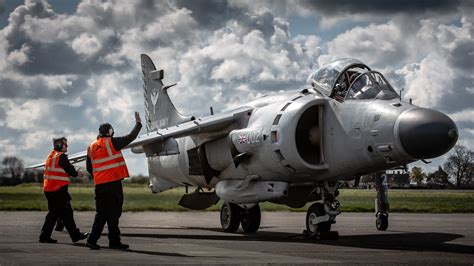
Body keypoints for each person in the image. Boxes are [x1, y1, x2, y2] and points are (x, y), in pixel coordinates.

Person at [85, 112, 142, 250]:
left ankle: (114, 241)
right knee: (112, 213)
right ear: (110, 132)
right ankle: (93, 239)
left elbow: (89, 167)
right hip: (113, 185)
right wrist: (138, 124)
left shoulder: (91, 146)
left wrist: (100, 176)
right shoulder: (112, 142)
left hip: (100, 185)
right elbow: (131, 137)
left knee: (105, 214)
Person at [39, 137, 88, 244]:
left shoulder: (51, 156)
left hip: (49, 190)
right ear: (60, 145)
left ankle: (45, 236)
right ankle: (74, 236)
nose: (67, 146)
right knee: (65, 214)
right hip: (58, 191)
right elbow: (69, 169)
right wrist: (77, 173)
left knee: (55, 214)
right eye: (65, 144)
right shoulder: (61, 157)